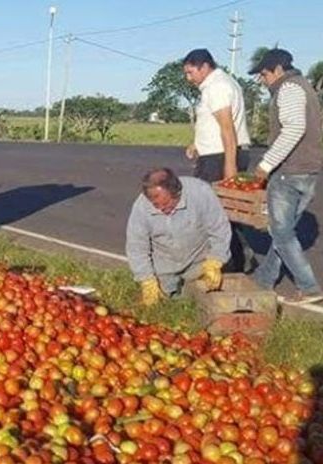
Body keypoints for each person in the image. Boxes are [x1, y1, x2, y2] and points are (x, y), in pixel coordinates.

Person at [249, 49, 323, 304]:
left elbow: (294, 128)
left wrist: (266, 164)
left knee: (280, 233)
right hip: (308, 169)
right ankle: (264, 278)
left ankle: (309, 286)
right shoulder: (305, 87)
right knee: (285, 231)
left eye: (264, 74)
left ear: (277, 69)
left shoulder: (289, 88)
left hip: (289, 172)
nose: (263, 80)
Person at [183, 48, 253, 272]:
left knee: (211, 213)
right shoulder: (217, 85)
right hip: (215, 154)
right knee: (222, 212)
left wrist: (229, 168)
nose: (188, 78)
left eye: (190, 72)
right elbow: (215, 126)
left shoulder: (217, 87)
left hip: (221, 158)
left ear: (204, 67)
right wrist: (198, 144)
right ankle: (234, 261)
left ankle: (227, 264)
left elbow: (227, 130)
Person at [126, 168, 231, 306]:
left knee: (202, 303)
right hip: (164, 264)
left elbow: (219, 228)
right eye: (156, 205)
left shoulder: (200, 192)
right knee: (161, 306)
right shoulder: (141, 208)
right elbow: (137, 248)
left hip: (199, 260)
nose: (162, 209)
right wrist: (146, 279)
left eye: (167, 203)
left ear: (177, 192)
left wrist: (216, 259)